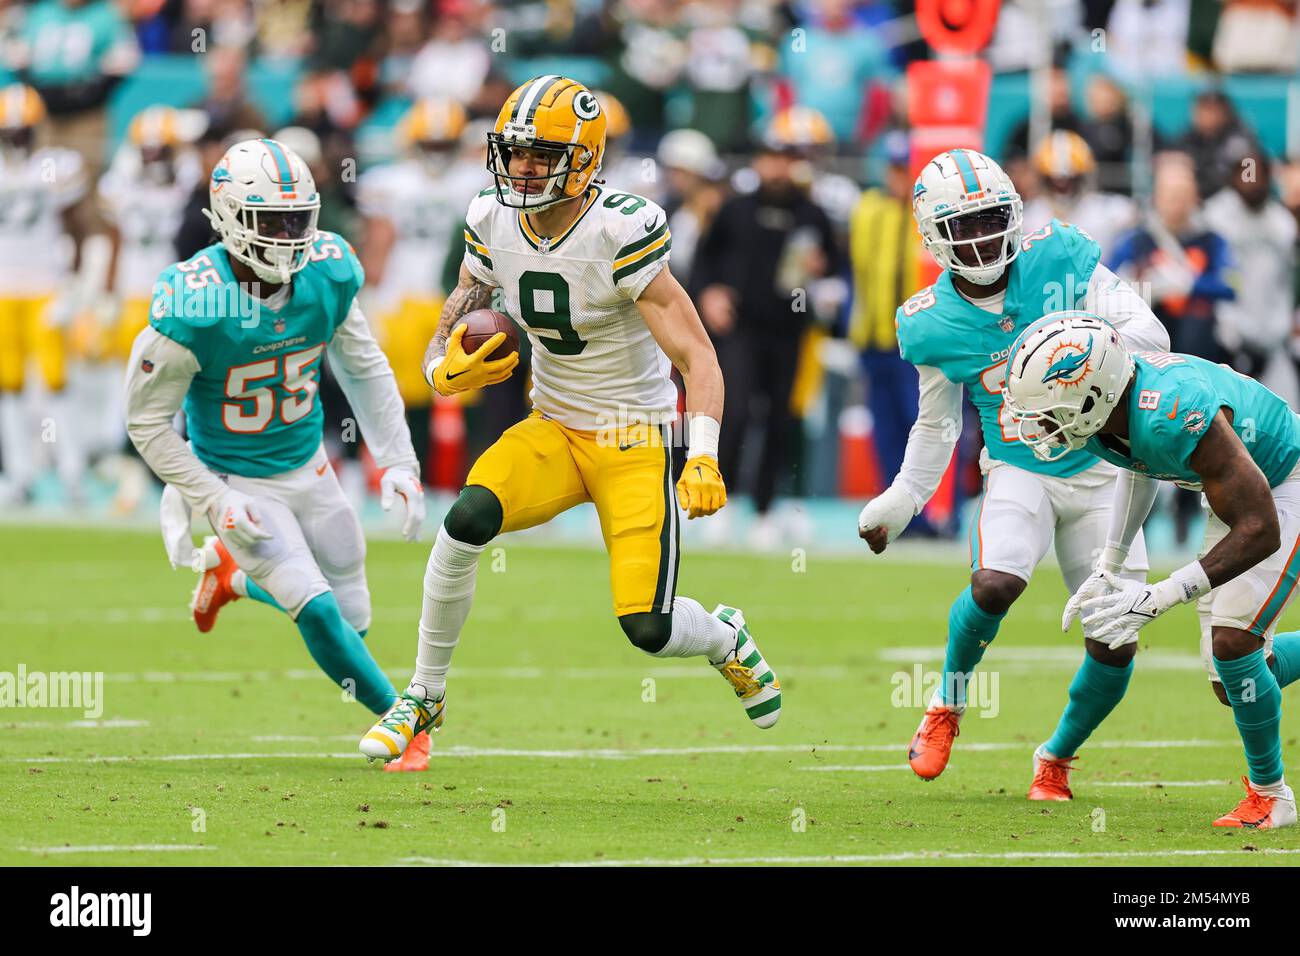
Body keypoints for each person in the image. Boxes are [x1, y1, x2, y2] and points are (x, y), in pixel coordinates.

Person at [359, 76, 781, 764]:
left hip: (634, 437)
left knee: (647, 626)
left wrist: (702, 454)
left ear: (583, 159)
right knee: (466, 518)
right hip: (552, 426)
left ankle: (725, 637)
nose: (521, 167)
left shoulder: (621, 228)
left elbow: (697, 353)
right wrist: (443, 372)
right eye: (513, 151)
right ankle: (424, 693)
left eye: (539, 154)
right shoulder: (491, 218)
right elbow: (455, 314)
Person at [857, 148, 1169, 800]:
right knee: (997, 582)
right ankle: (947, 701)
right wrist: (906, 496)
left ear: (1015, 213)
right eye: (963, 226)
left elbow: (1149, 333)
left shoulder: (1059, 258)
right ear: (934, 236)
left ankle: (1056, 755)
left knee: (1115, 639)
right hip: (1019, 466)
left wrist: (1087, 342)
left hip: (1107, 468)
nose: (981, 236)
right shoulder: (931, 323)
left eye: (991, 218)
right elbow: (938, 425)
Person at [123, 138, 431, 771]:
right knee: (315, 609)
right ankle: (405, 723)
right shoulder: (195, 301)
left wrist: (398, 460)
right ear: (228, 214)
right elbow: (146, 421)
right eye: (271, 220)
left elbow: (365, 368)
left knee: (353, 623)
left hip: (308, 463)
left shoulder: (328, 271)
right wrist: (209, 496)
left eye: (298, 218)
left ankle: (230, 577)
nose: (288, 236)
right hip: (236, 479)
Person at [1004, 311, 1300, 828]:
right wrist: (1109, 564)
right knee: (1231, 680)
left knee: (1235, 644)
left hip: (1283, 482)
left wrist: (1160, 596)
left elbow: (1260, 528)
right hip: (1238, 489)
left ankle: (1272, 795)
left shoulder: (1170, 407)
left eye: (1051, 411)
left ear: (1092, 392)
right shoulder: (1113, 405)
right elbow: (1139, 464)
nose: (1043, 424)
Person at [694, 116, 841, 546]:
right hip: (739, 328)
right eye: (770, 159)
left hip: (787, 330)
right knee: (734, 412)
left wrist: (822, 269)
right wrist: (710, 294)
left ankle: (763, 509)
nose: (776, 168)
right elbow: (703, 263)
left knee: (778, 418)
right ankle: (723, 501)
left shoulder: (810, 213)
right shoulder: (736, 208)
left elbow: (834, 265)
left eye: (784, 159)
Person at [357, 98, 484, 480]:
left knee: (470, 391)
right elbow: (379, 241)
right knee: (411, 397)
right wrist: (370, 295)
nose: (437, 154)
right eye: (431, 145)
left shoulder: (474, 180)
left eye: (444, 145)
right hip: (404, 298)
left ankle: (471, 482)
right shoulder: (390, 182)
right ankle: (414, 478)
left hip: (458, 296)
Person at [0, 83, 88, 504]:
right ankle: (20, 475)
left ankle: (71, 472)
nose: (16, 138)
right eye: (9, 131)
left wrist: (72, 283)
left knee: (55, 383)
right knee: (9, 386)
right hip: (4, 291)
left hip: (44, 287)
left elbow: (76, 225)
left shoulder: (54, 166)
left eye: (22, 130)